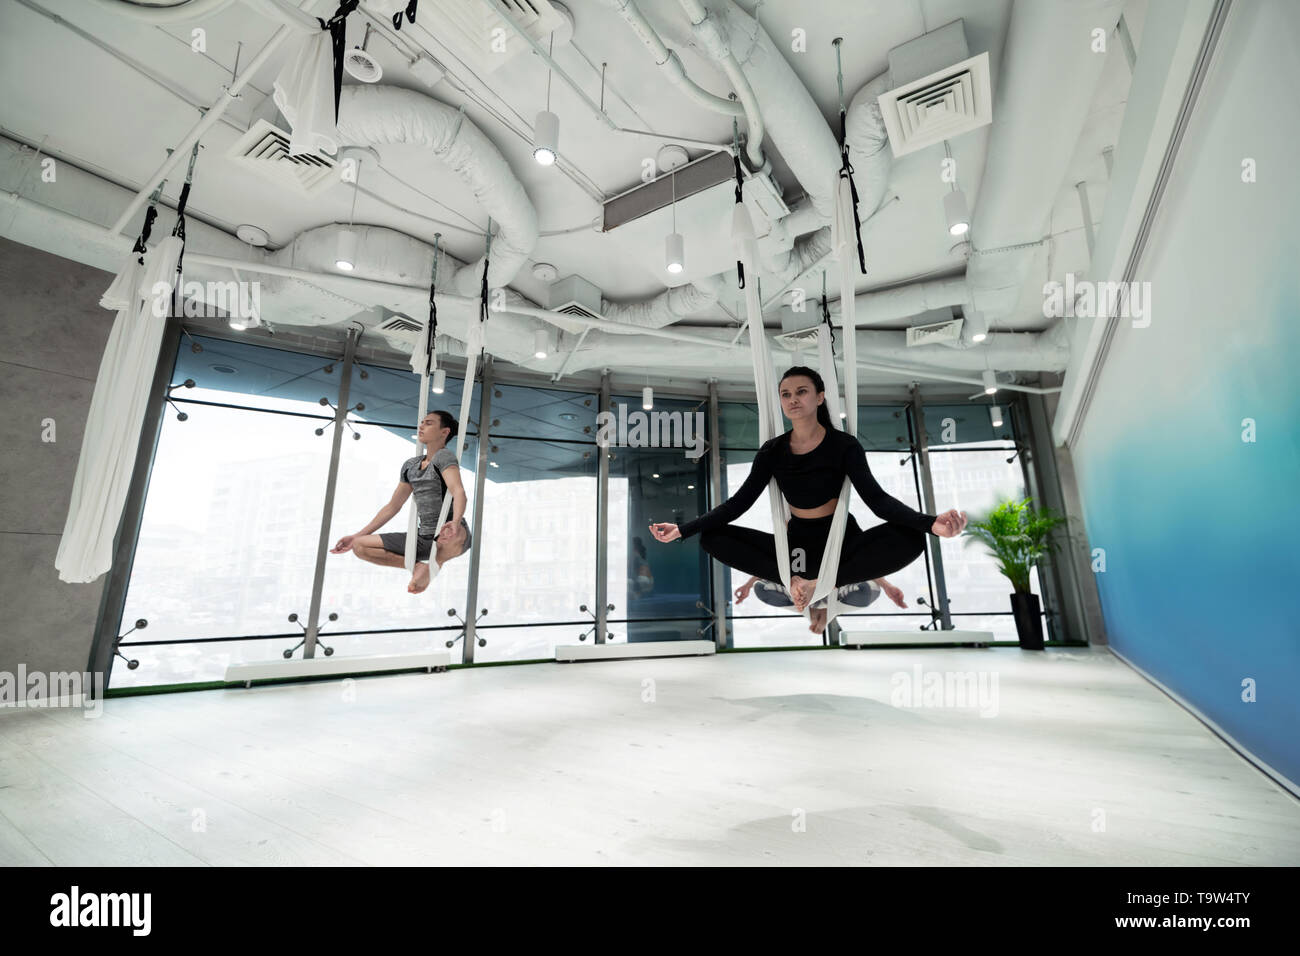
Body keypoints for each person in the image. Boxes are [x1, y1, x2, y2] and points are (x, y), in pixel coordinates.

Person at [648, 365, 967, 631]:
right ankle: (800, 582)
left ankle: (819, 585)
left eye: (801, 392)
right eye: (785, 394)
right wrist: (683, 529)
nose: (792, 400)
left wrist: (931, 524)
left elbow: (877, 499)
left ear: (820, 396)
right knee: (712, 538)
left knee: (912, 539)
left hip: (841, 542)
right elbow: (737, 504)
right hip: (797, 548)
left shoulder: (844, 445)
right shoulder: (772, 451)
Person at [330, 410, 472, 594]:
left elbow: (458, 490)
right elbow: (393, 506)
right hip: (424, 539)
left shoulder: (443, 458)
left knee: (452, 536)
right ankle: (418, 567)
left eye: (428, 423)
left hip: (452, 534)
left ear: (444, 432)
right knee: (360, 546)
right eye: (422, 422)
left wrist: (454, 522)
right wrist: (357, 535)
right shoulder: (410, 466)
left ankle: (435, 565)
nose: (421, 426)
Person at [733, 573, 908, 634]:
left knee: (866, 589)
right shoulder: (790, 544)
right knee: (761, 588)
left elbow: (864, 566)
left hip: (838, 590)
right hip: (801, 592)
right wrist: (748, 585)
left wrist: (887, 586)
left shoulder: (840, 539)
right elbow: (772, 566)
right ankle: (815, 606)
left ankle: (821, 608)